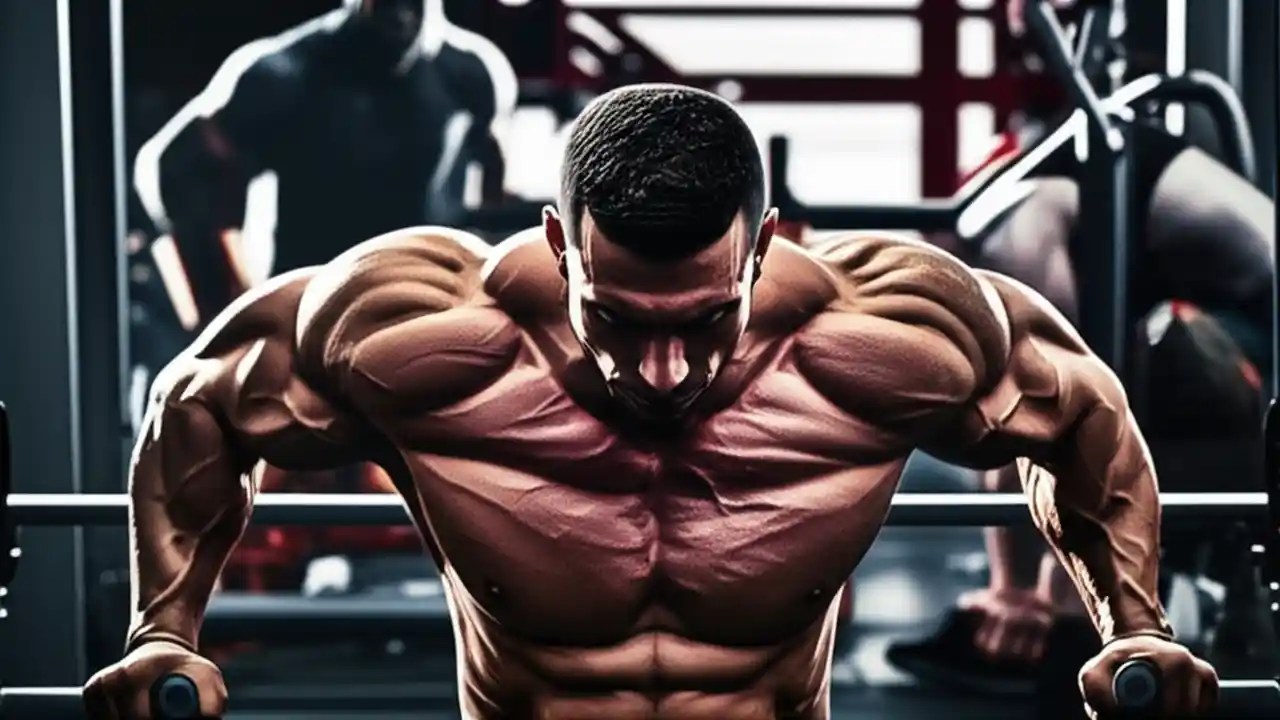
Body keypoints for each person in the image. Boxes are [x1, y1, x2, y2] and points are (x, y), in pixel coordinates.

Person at [83, 84, 1217, 720]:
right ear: (554, 245)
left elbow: (1079, 414)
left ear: (762, 248)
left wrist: (1138, 628)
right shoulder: (424, 336)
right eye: (618, 320)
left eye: (702, 321)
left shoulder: (884, 338)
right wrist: (160, 637)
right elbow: (202, 402)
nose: (664, 374)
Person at [885, 3, 1275, 705]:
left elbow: (1046, 407)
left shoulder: (1022, 227)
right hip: (1200, 307)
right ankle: (1054, 610)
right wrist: (1015, 588)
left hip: (1245, 343)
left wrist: (1042, 597)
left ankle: (1061, 619)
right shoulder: (1023, 197)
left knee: (1052, 392)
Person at [134, 0, 517, 330]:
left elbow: (494, 175)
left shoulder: (474, 76)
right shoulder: (280, 76)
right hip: (306, 323)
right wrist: (229, 312)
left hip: (428, 319)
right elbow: (168, 172)